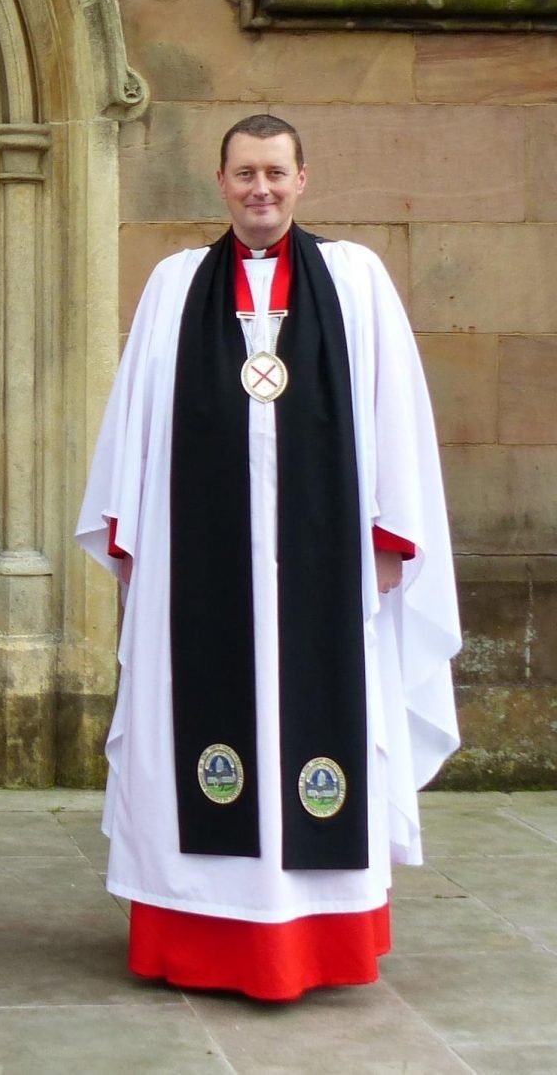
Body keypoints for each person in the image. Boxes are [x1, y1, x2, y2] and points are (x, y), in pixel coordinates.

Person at [76, 114, 462, 1001]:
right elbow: (136, 427)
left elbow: (395, 412)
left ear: (303, 179)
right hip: (198, 574)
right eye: (245, 173)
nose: (261, 188)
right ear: (220, 181)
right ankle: (197, 934)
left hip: (325, 571)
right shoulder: (176, 287)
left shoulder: (355, 281)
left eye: (276, 173)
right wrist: (133, 536)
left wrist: (391, 534)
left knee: (315, 719)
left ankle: (316, 941)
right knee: (201, 727)